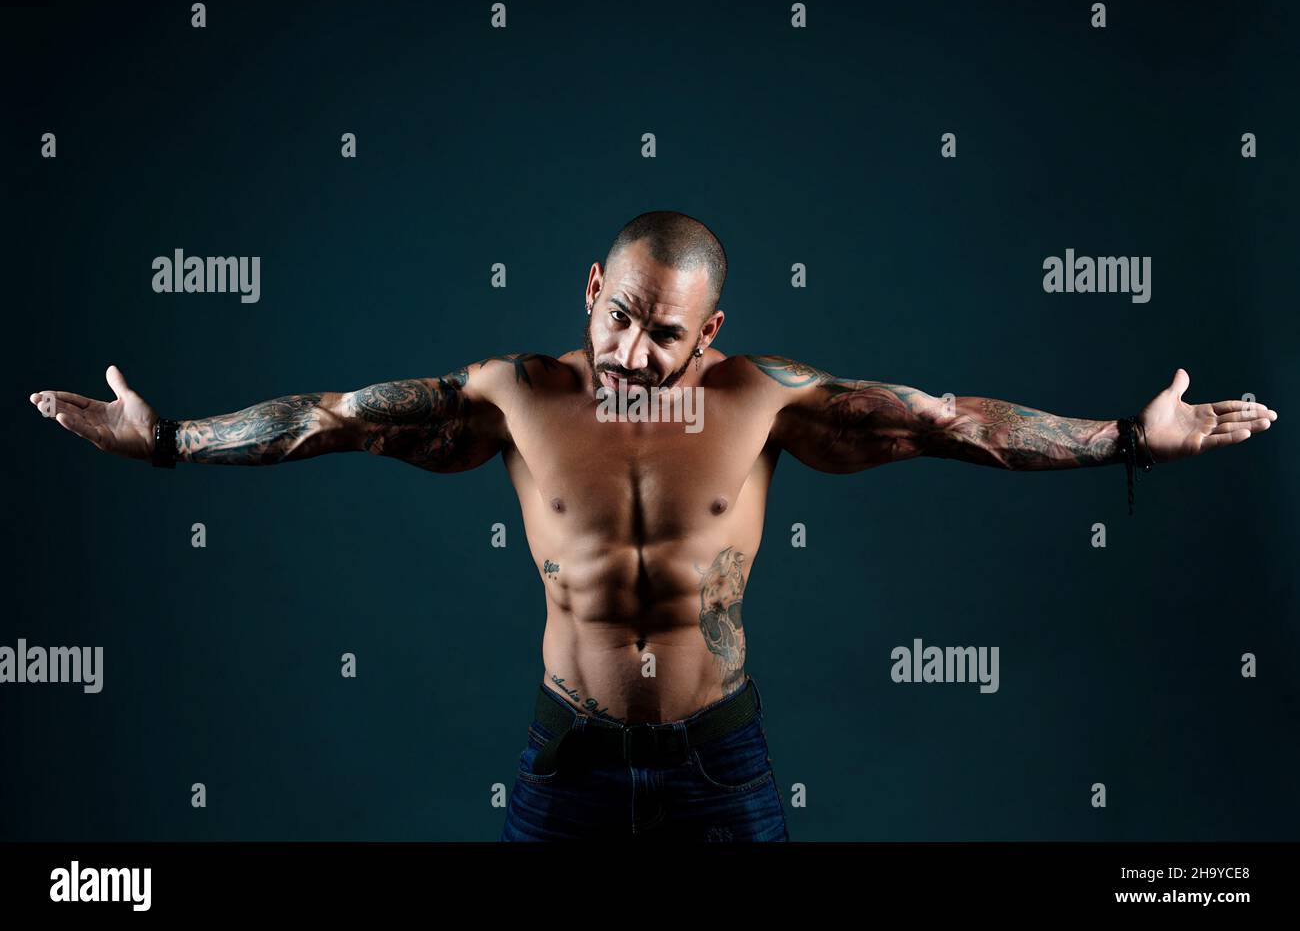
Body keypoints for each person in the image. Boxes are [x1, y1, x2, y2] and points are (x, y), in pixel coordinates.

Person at [29, 211, 1279, 841]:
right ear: (592, 287)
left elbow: (952, 421)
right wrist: (175, 438)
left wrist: (1124, 438)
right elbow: (336, 416)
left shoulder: (762, 400)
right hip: (562, 761)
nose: (630, 348)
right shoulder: (514, 393)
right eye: (617, 313)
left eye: (663, 332)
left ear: (710, 338)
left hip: (715, 764)